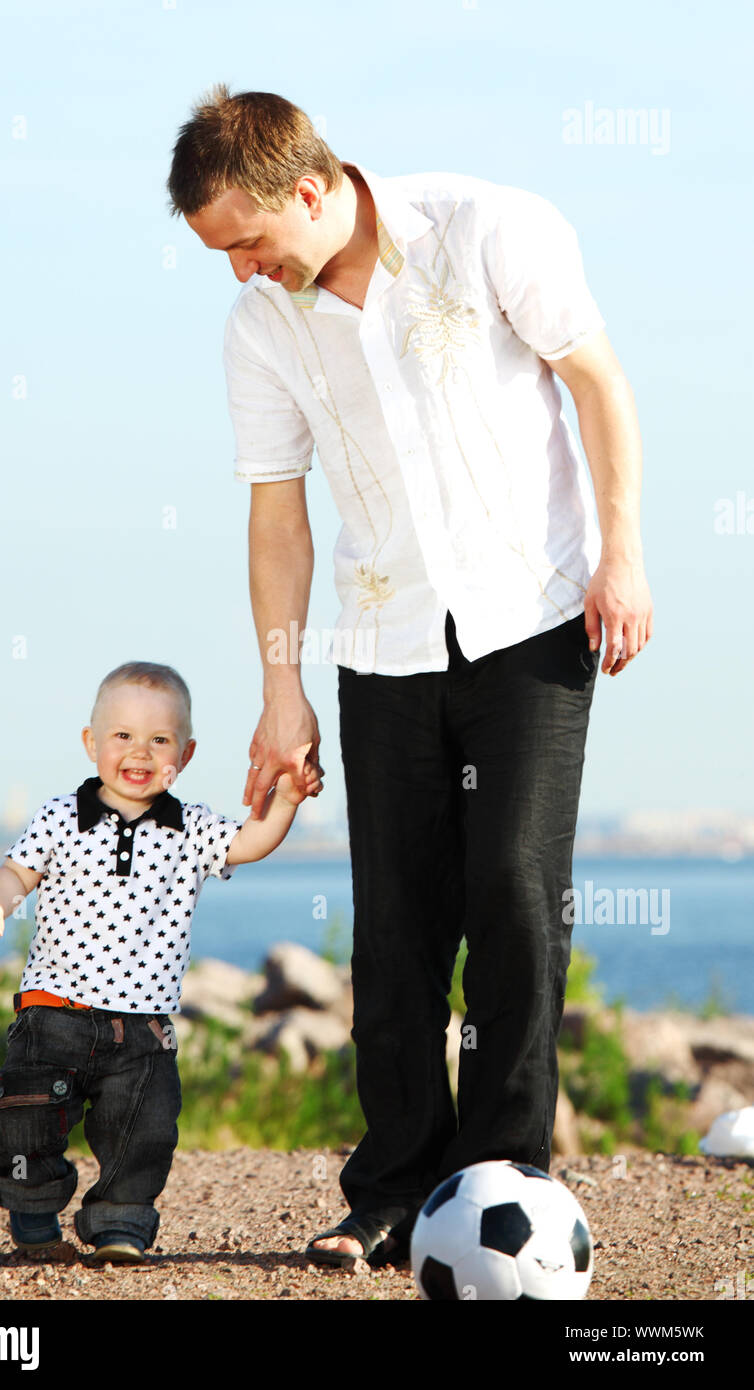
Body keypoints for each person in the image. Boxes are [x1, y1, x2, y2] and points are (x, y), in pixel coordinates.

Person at [167, 87, 653, 1267]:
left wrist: (620, 553)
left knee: (513, 901)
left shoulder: (490, 229)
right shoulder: (260, 327)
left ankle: (508, 1181)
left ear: (312, 189)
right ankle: (388, 1188)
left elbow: (595, 382)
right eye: (217, 254)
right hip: (379, 646)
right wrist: (280, 691)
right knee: (393, 926)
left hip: (531, 624)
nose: (238, 271)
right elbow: (276, 517)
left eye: (245, 241)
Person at [0, 660, 317, 1262]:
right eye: (123, 736)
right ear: (91, 742)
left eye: (160, 740)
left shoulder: (191, 827)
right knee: (28, 1116)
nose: (140, 752)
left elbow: (249, 842)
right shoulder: (59, 816)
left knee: (144, 1131)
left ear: (187, 751)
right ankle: (34, 1211)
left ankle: (120, 1223)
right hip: (55, 1010)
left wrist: (285, 799)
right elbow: (18, 870)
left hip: (145, 1025)